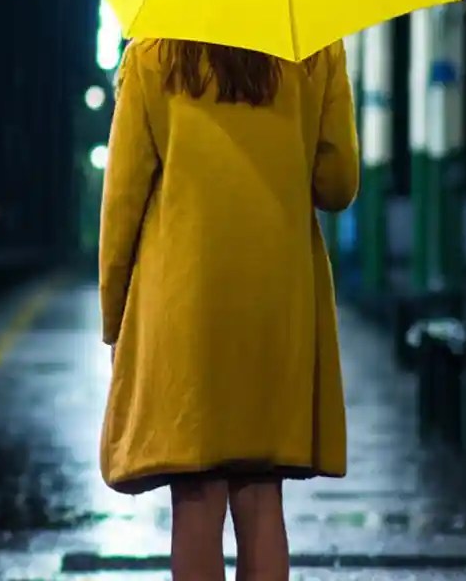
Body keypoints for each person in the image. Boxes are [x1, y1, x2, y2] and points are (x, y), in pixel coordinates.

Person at [98, 36, 359, 580]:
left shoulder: (154, 51)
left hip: (184, 304)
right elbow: (338, 185)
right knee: (262, 499)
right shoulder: (314, 47)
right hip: (277, 300)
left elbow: (123, 200)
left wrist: (114, 318)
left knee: (196, 501)